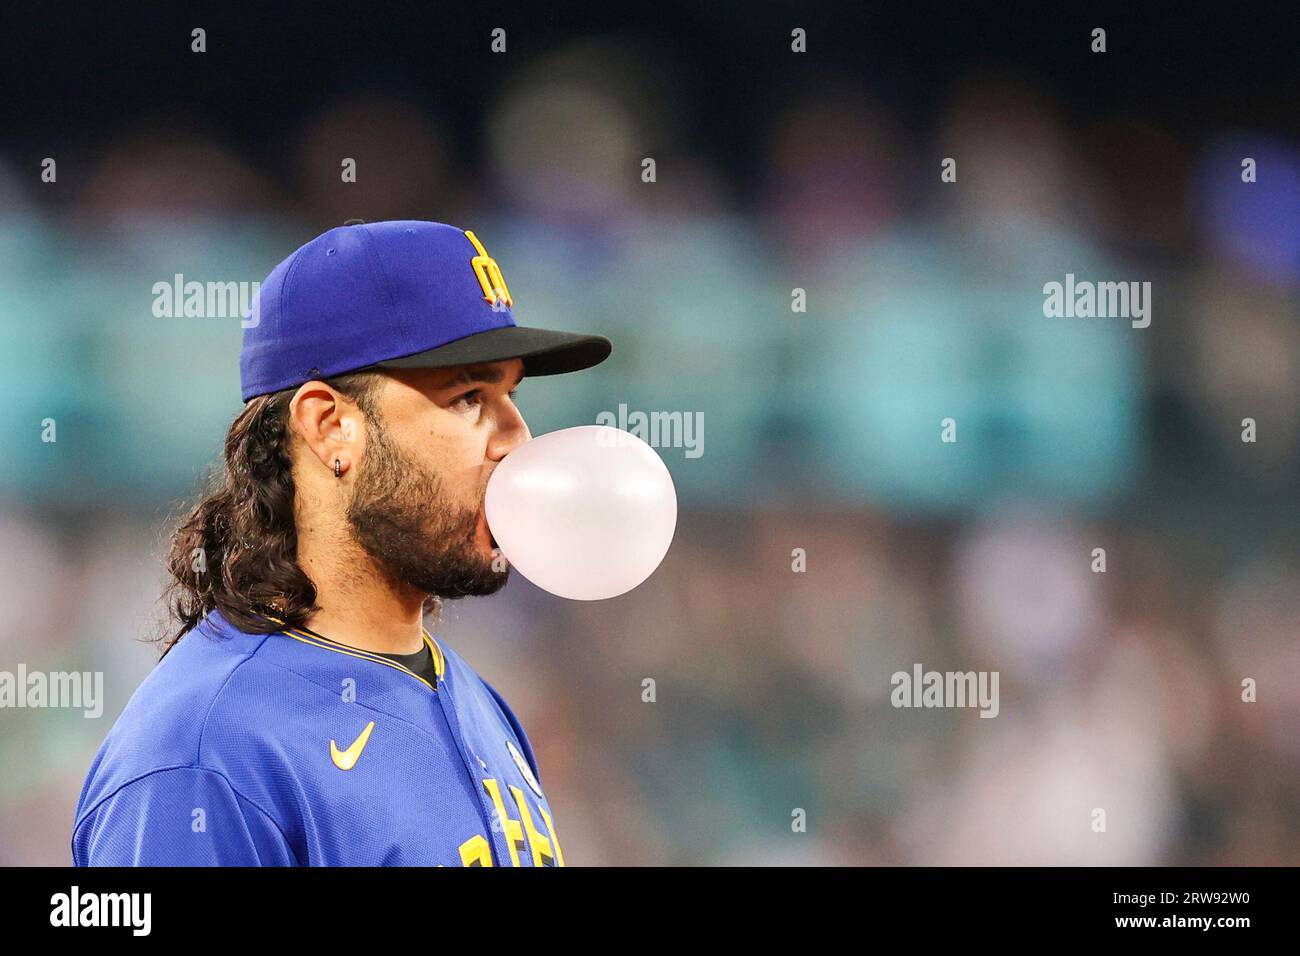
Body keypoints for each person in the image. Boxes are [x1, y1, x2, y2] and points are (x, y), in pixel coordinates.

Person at [72, 220, 611, 866]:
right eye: (469, 397)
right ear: (330, 427)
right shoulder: (202, 756)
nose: (517, 438)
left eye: (511, 393)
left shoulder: (478, 701)